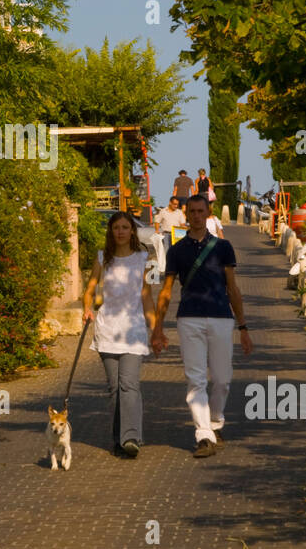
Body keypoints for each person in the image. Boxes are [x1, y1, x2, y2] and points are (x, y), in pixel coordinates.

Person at [151, 194, 252, 458]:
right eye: (192, 211)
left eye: (200, 211)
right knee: (195, 380)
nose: (196, 215)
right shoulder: (177, 250)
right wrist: (158, 327)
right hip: (189, 319)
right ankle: (204, 435)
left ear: (208, 213)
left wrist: (243, 327)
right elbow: (166, 291)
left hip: (221, 317)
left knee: (222, 380)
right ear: (186, 214)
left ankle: (215, 421)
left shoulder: (223, 247)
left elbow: (233, 288)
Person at [83, 211, 156, 459]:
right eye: (116, 228)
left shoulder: (143, 258)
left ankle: (132, 437)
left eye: (125, 227)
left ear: (132, 231)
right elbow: (91, 287)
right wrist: (86, 309)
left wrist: (155, 327)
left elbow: (146, 295)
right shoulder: (103, 259)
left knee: (129, 385)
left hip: (133, 331)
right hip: (107, 330)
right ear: (111, 232)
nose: (121, 232)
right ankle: (119, 439)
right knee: (114, 389)